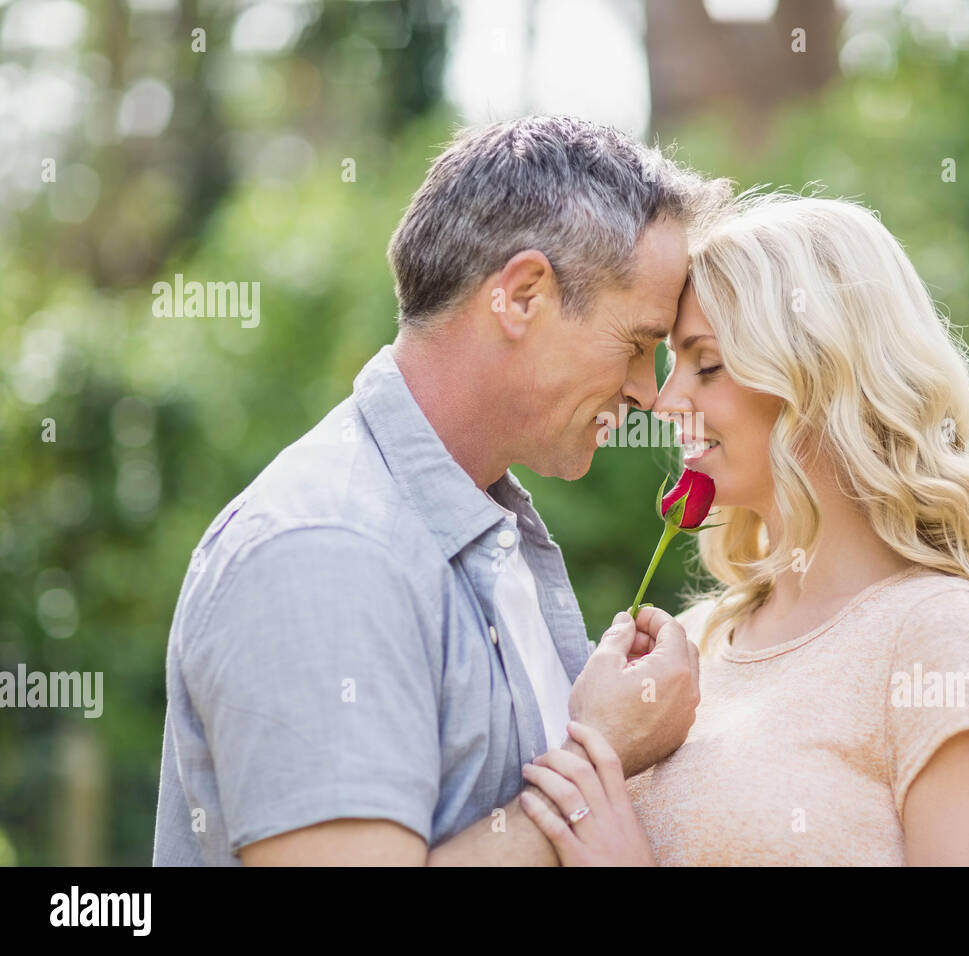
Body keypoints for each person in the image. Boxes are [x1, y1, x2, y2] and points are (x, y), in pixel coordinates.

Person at [151, 115, 730, 866]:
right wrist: (602, 756)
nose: (646, 393)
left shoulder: (479, 528)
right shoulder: (327, 550)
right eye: (637, 344)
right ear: (523, 295)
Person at [517, 191, 969, 865]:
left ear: (820, 376)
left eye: (705, 363)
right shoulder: (699, 643)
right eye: (670, 366)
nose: (666, 400)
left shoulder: (940, 636)